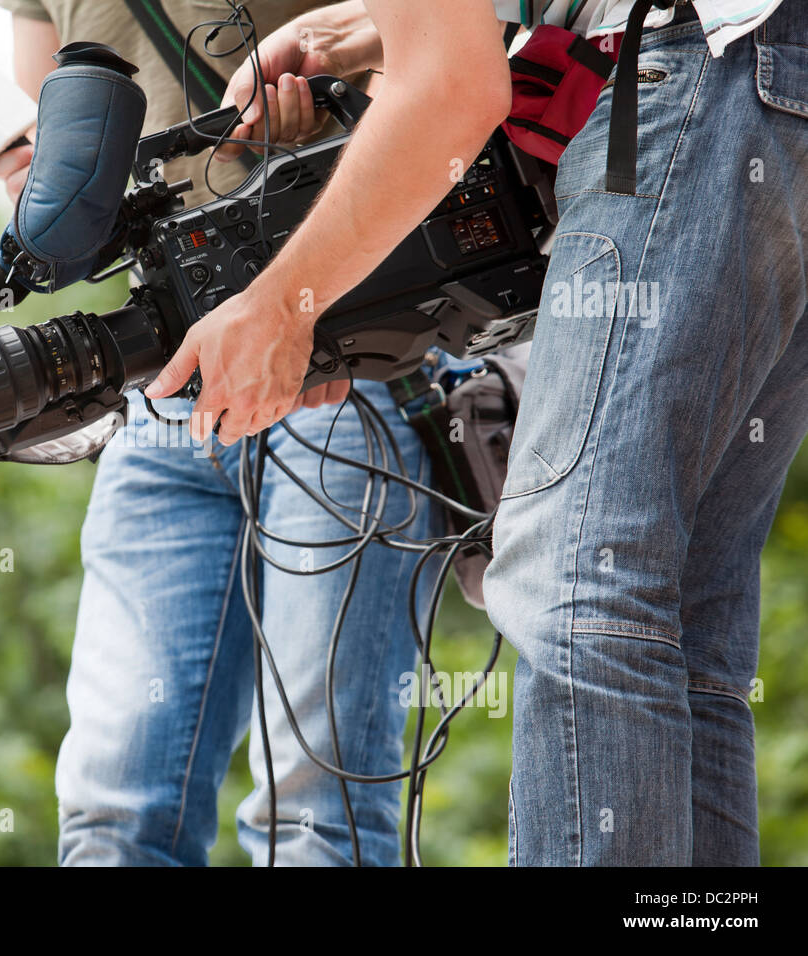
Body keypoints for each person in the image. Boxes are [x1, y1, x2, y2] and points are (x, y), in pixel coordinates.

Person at [151, 0, 806, 865]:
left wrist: (283, 307)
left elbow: (453, 89)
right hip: (773, 76)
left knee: (578, 582)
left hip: (703, 67)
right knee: (682, 626)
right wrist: (361, 28)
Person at [0, 0, 441, 866]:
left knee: (318, 805)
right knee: (113, 809)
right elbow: (54, 101)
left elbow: (439, 55)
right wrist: (39, 179)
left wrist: (340, 101)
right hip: (169, 369)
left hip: (340, 340)